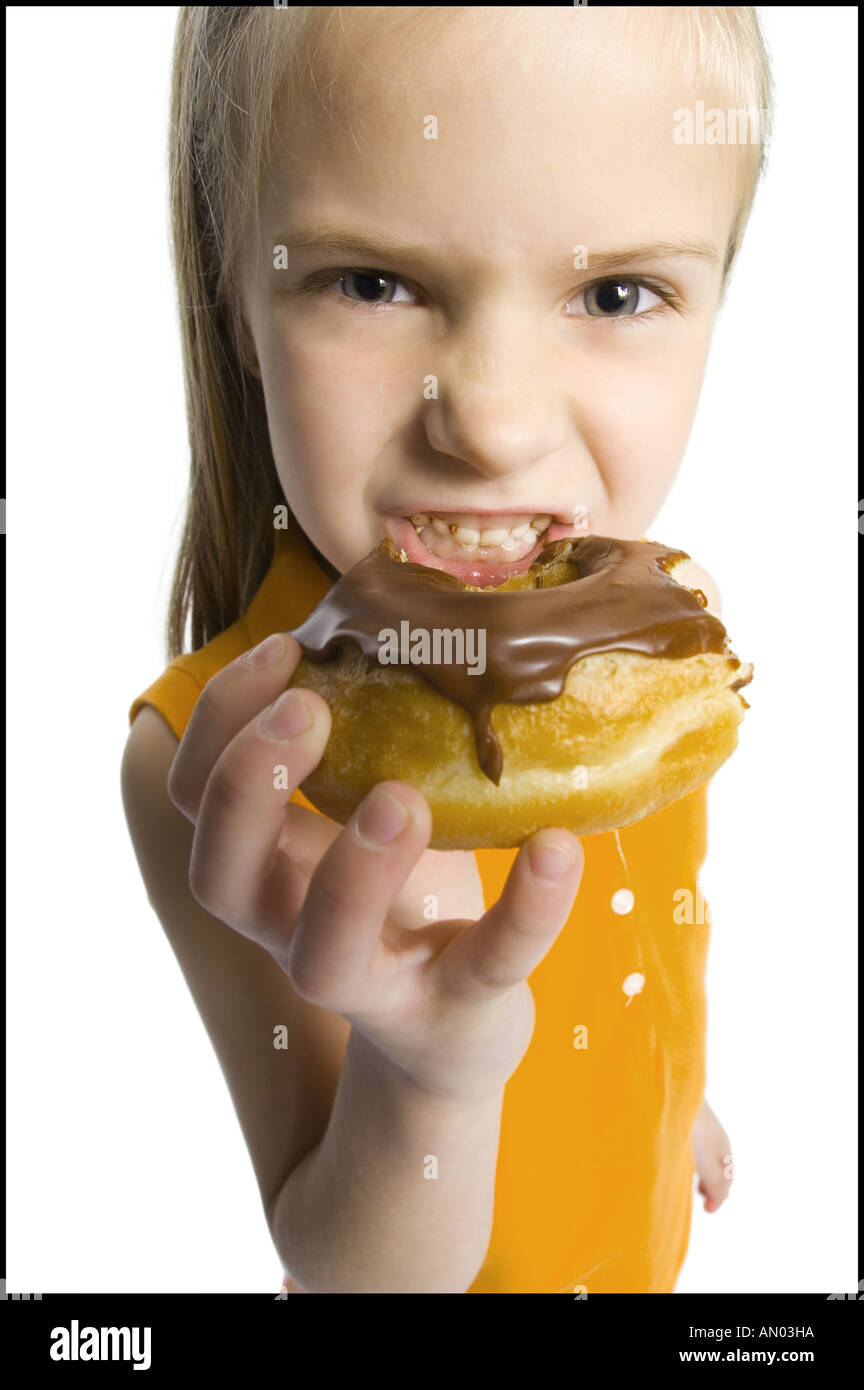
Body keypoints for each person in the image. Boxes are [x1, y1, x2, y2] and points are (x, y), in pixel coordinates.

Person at [121, 5, 771, 1293]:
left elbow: (636, 950)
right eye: (374, 282)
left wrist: (666, 1101)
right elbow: (344, 1263)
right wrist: (429, 1074)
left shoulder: (649, 670)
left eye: (617, 291)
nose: (491, 419)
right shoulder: (223, 764)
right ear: (239, 304)